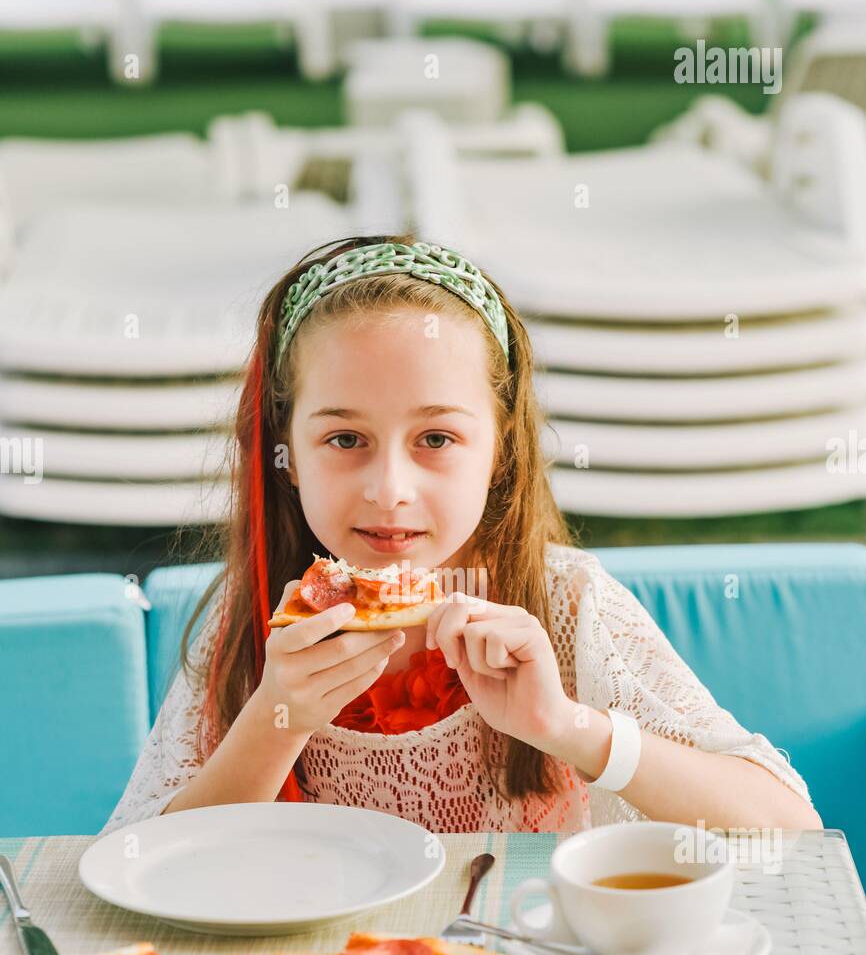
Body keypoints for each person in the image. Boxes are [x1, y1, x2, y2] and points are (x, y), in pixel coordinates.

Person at [98, 235, 821, 839]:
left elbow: (787, 824)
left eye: (436, 437)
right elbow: (137, 861)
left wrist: (565, 725)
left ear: (500, 449)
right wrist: (275, 719)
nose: (390, 489)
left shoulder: (566, 603)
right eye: (345, 438)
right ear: (284, 450)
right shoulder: (252, 615)